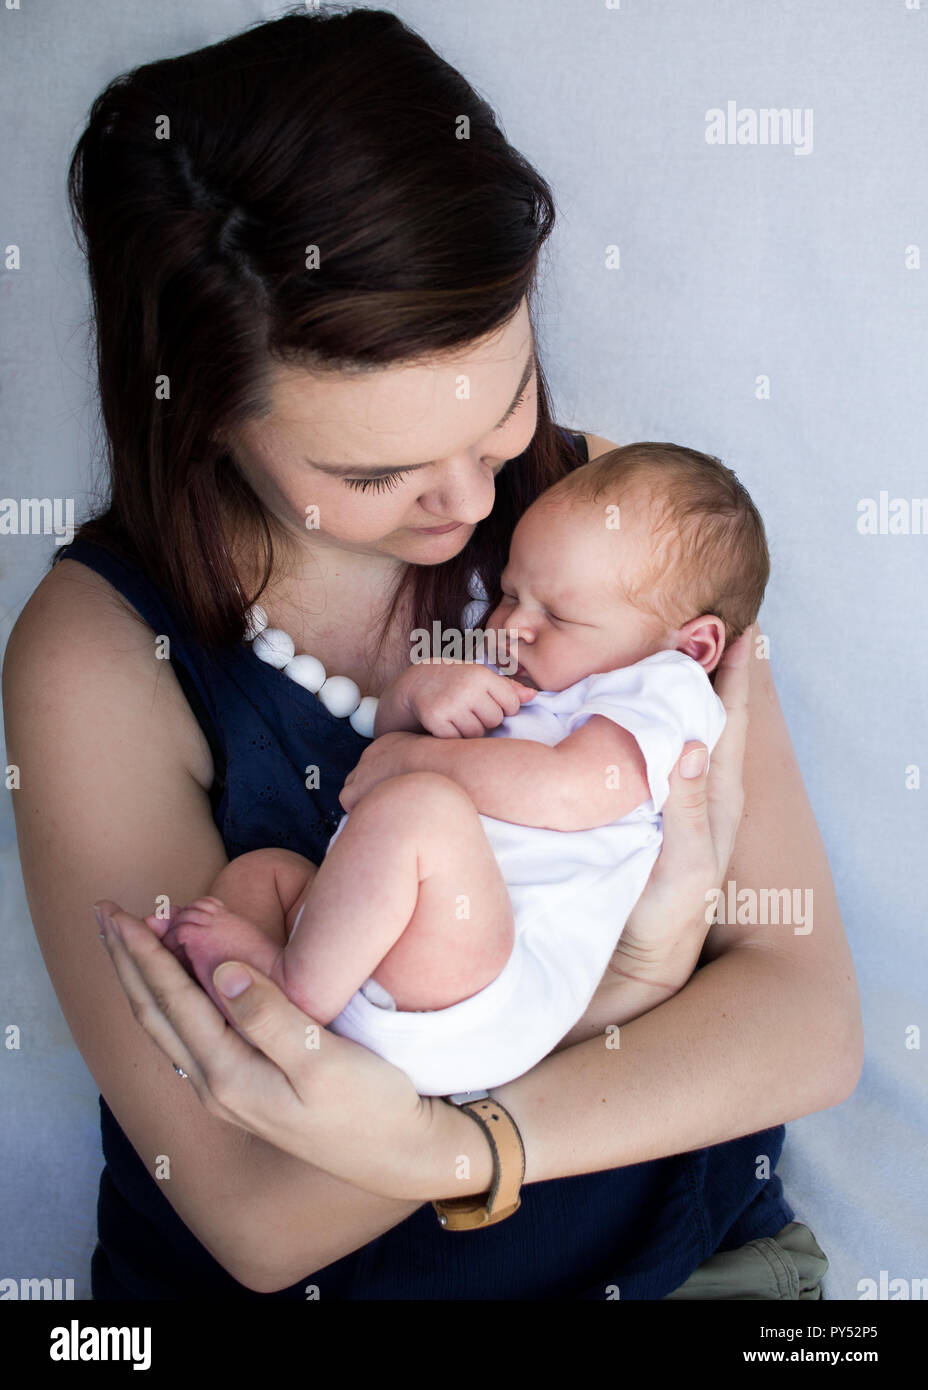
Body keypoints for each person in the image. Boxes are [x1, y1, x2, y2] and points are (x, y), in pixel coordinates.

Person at [2, 6, 859, 1299]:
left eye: (501, 403)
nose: (467, 504)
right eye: (372, 470)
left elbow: (804, 1018)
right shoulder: (102, 654)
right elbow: (257, 1210)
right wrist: (626, 983)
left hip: (683, 1270)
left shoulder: (617, 536)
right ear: (200, 420)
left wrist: (446, 1140)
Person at [158, 443, 756, 1101]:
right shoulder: (527, 670)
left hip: (484, 993)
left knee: (423, 810)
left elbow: (564, 791)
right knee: (264, 873)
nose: (512, 628)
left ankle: (289, 995)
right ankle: (252, 988)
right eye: (508, 594)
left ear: (692, 645)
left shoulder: (663, 688)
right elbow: (382, 769)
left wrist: (415, 759)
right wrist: (413, 702)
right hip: (385, 946)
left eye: (557, 615)